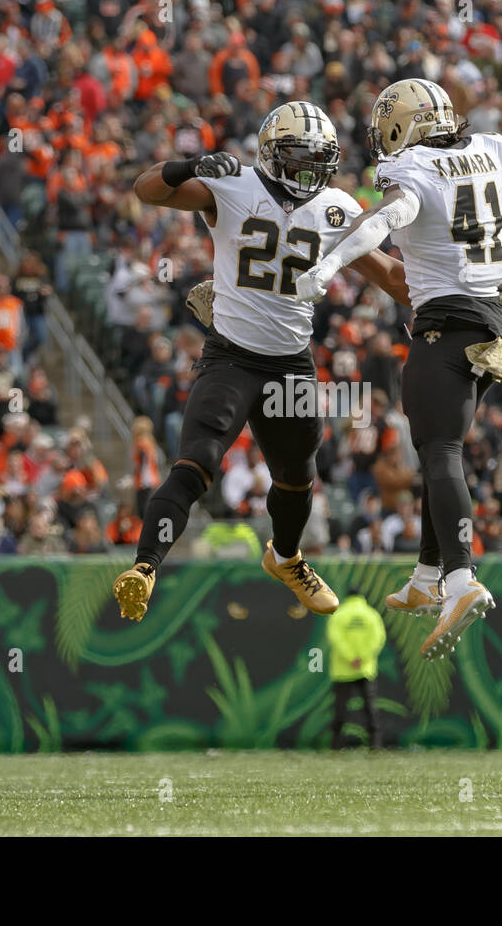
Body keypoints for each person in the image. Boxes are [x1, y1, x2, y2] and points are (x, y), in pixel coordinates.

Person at [294, 38, 502, 660]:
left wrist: (327, 268)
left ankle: (458, 577)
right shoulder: (494, 149)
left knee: (440, 450)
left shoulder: (412, 170)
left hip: (445, 323)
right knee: (435, 450)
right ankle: (430, 574)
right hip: (494, 322)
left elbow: (380, 223)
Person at [111, 102, 409, 623]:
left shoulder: (334, 206)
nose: (308, 172)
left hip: (290, 364)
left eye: (319, 160)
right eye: (298, 159)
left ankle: (287, 557)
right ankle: (144, 567)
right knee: (194, 464)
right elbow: (147, 189)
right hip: (232, 356)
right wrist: (190, 165)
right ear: (271, 155)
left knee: (298, 478)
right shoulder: (235, 186)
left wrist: (462, 297)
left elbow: (389, 277)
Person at [327, 592, 386, 750]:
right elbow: (378, 638)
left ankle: (336, 745)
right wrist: (362, 657)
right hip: (365, 669)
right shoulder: (371, 615)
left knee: (340, 709)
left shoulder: (339, 615)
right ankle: (375, 744)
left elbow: (335, 638)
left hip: (342, 670)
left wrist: (350, 657)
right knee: (370, 708)